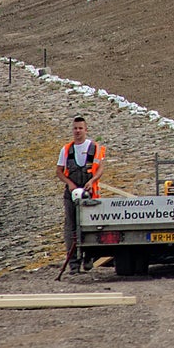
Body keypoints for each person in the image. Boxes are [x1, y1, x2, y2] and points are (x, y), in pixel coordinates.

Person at [58, 116, 104, 273]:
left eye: (80, 128)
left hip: (89, 193)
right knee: (71, 228)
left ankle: (89, 259)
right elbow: (59, 171)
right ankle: (73, 264)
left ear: (86, 129)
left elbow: (100, 169)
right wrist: (69, 184)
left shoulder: (94, 147)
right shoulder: (66, 150)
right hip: (70, 194)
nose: (77, 131)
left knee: (90, 226)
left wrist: (92, 181)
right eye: (75, 128)